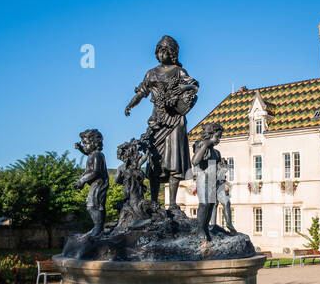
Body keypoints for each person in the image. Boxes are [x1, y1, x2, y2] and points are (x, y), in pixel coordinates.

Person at [124, 35, 199, 210]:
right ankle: (154, 201)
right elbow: (141, 92)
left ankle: (172, 203)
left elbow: (195, 85)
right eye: (159, 50)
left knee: (173, 162)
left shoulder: (179, 71)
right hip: (157, 121)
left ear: (172, 53)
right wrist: (130, 105)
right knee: (154, 162)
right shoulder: (151, 73)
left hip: (175, 120)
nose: (161, 54)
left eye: (165, 51)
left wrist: (184, 88)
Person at [190, 122, 224, 241]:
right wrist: (206, 144)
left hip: (212, 181)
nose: (218, 139)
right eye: (217, 136)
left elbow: (218, 169)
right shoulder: (201, 145)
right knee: (204, 204)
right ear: (210, 134)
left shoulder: (216, 153)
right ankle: (200, 228)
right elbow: (195, 161)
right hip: (202, 179)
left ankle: (205, 227)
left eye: (220, 137)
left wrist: (223, 168)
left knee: (210, 205)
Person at [74, 128, 108, 236]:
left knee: (95, 205)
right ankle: (97, 226)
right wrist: (80, 149)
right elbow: (87, 152)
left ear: (95, 143)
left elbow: (96, 171)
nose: (84, 146)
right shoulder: (92, 155)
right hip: (95, 183)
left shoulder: (98, 155)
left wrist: (82, 180)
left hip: (99, 184)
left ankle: (98, 227)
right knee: (91, 205)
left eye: (85, 143)